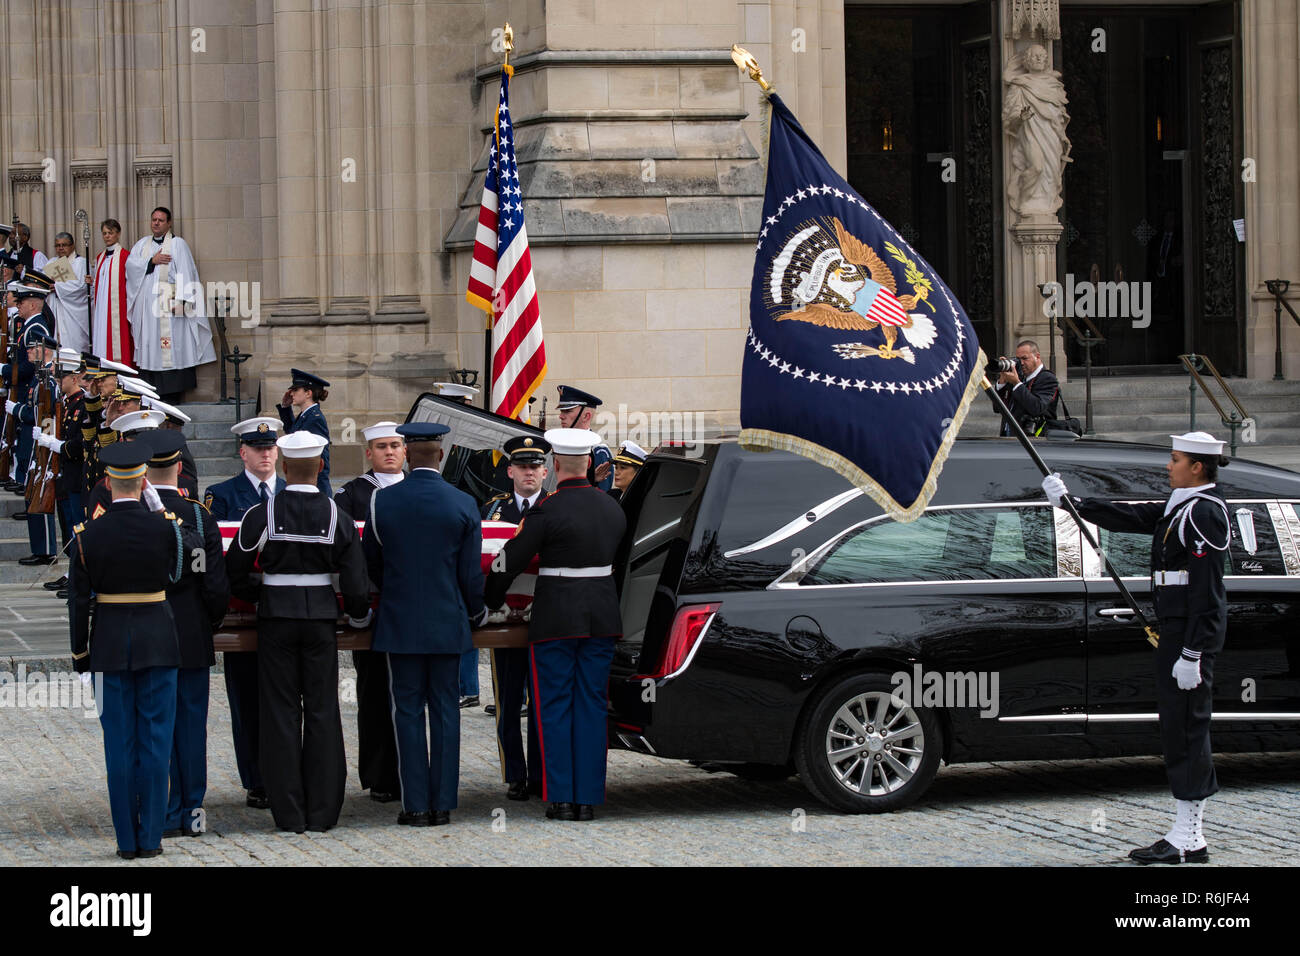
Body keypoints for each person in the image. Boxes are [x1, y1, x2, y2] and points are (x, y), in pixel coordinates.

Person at [1042, 431, 1231, 865]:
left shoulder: (1204, 513)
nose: (1169, 466)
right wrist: (1072, 504)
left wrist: (1194, 653)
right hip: (1175, 629)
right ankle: (1188, 836)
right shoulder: (1181, 505)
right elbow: (1130, 517)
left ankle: (1188, 839)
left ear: (1198, 467)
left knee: (1187, 731)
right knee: (1178, 729)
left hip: (1188, 636)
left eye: (1176, 459)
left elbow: (1208, 594)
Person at [225, 431, 368, 833]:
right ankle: (323, 811)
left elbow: (235, 570)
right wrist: (356, 616)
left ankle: (288, 811)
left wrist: (257, 594)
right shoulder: (337, 515)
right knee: (323, 709)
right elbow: (356, 582)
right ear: (321, 466)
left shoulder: (261, 514)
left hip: (276, 619)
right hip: (321, 618)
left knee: (280, 712)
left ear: (285, 467)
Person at [485, 428, 626, 821]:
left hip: (557, 619)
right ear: (591, 465)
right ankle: (588, 799)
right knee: (593, 706)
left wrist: (491, 601)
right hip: (601, 617)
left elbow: (507, 562)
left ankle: (561, 796)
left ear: (555, 465)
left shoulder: (546, 511)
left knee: (554, 706)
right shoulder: (612, 508)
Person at [363, 422, 486, 827]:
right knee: (447, 712)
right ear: (442, 456)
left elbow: (373, 566)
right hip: (448, 621)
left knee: (409, 713)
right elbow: (470, 575)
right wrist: (474, 613)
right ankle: (443, 803)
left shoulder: (382, 502)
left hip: (400, 622)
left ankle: (414, 804)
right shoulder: (464, 502)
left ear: (407, 456)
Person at [68, 440, 187, 859]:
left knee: (119, 744)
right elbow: (174, 575)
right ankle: (151, 838)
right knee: (156, 742)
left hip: (109, 644)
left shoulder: (87, 534)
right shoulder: (165, 525)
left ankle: (126, 841)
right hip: (157, 639)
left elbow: (79, 601)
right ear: (142, 481)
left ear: (107, 482)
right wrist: (160, 516)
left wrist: (80, 654)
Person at [138, 429, 230, 840]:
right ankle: (192, 812)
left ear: (143, 473)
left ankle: (160, 810)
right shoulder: (198, 515)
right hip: (191, 633)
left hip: (146, 632)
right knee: (191, 729)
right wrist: (209, 621)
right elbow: (214, 585)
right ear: (179, 468)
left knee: (154, 726)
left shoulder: (132, 515)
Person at [202, 415, 286, 811]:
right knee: (247, 700)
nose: (266, 454)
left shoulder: (292, 490)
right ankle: (256, 778)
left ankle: (286, 773)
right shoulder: (221, 495)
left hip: (287, 611)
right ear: (243, 453)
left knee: (286, 700)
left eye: (270, 448)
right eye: (258, 448)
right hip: (244, 613)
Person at [332, 420, 405, 803]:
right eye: (382, 447)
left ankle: (410, 770)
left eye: (395, 445)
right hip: (372, 610)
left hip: (410, 607)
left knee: (410, 694)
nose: (389, 452)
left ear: (406, 451)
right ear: (369, 454)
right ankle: (380, 775)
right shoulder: (351, 496)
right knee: (374, 693)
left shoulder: (416, 489)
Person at [480, 434, 549, 800]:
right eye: (522, 466)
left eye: (535, 466)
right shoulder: (493, 510)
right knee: (507, 700)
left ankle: (539, 773)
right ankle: (515, 775)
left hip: (543, 617)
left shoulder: (554, 507)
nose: (529, 473)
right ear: (510, 471)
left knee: (539, 699)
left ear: (545, 470)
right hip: (502, 620)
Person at [124, 207, 216, 399]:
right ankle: (151, 389)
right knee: (151, 346)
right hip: (148, 311)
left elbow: (187, 272)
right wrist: (151, 261)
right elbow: (130, 267)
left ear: (169, 223)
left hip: (169, 307)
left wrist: (183, 301)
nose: (156, 223)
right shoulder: (142, 245)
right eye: (154, 220)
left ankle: (173, 392)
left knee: (171, 347)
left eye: (160, 220)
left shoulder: (177, 244)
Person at [277, 369, 332, 495]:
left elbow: (319, 456)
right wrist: (285, 408)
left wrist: (320, 490)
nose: (291, 394)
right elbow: (292, 435)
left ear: (308, 393)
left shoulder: (314, 418)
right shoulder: (306, 415)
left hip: (316, 487)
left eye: (296, 390)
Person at [990, 340, 1059, 436]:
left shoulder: (1047, 378)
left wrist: (1017, 383)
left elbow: (1037, 407)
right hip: (1010, 438)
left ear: (1037, 357)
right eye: (1018, 359)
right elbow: (998, 408)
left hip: (1034, 441)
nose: (1021, 363)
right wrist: (1002, 381)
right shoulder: (1019, 377)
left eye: (1025, 358)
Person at [555, 385, 612, 492]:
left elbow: (602, 498)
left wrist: (591, 481)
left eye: (567, 411)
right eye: (561, 411)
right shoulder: (558, 445)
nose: (561, 416)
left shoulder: (598, 451)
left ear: (586, 416)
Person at [91, 219, 133, 364]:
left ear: (118, 234)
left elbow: (132, 284)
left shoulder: (126, 257)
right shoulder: (99, 258)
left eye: (110, 233)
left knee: (117, 343)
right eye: (104, 233)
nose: (107, 236)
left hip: (117, 309)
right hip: (101, 309)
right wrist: (92, 282)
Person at [49, 231, 90, 354]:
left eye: (64, 245)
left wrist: (57, 287)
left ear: (72, 246)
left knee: (74, 346)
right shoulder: (52, 263)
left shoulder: (81, 263)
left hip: (73, 314)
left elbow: (81, 287)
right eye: (57, 245)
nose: (60, 248)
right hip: (55, 309)